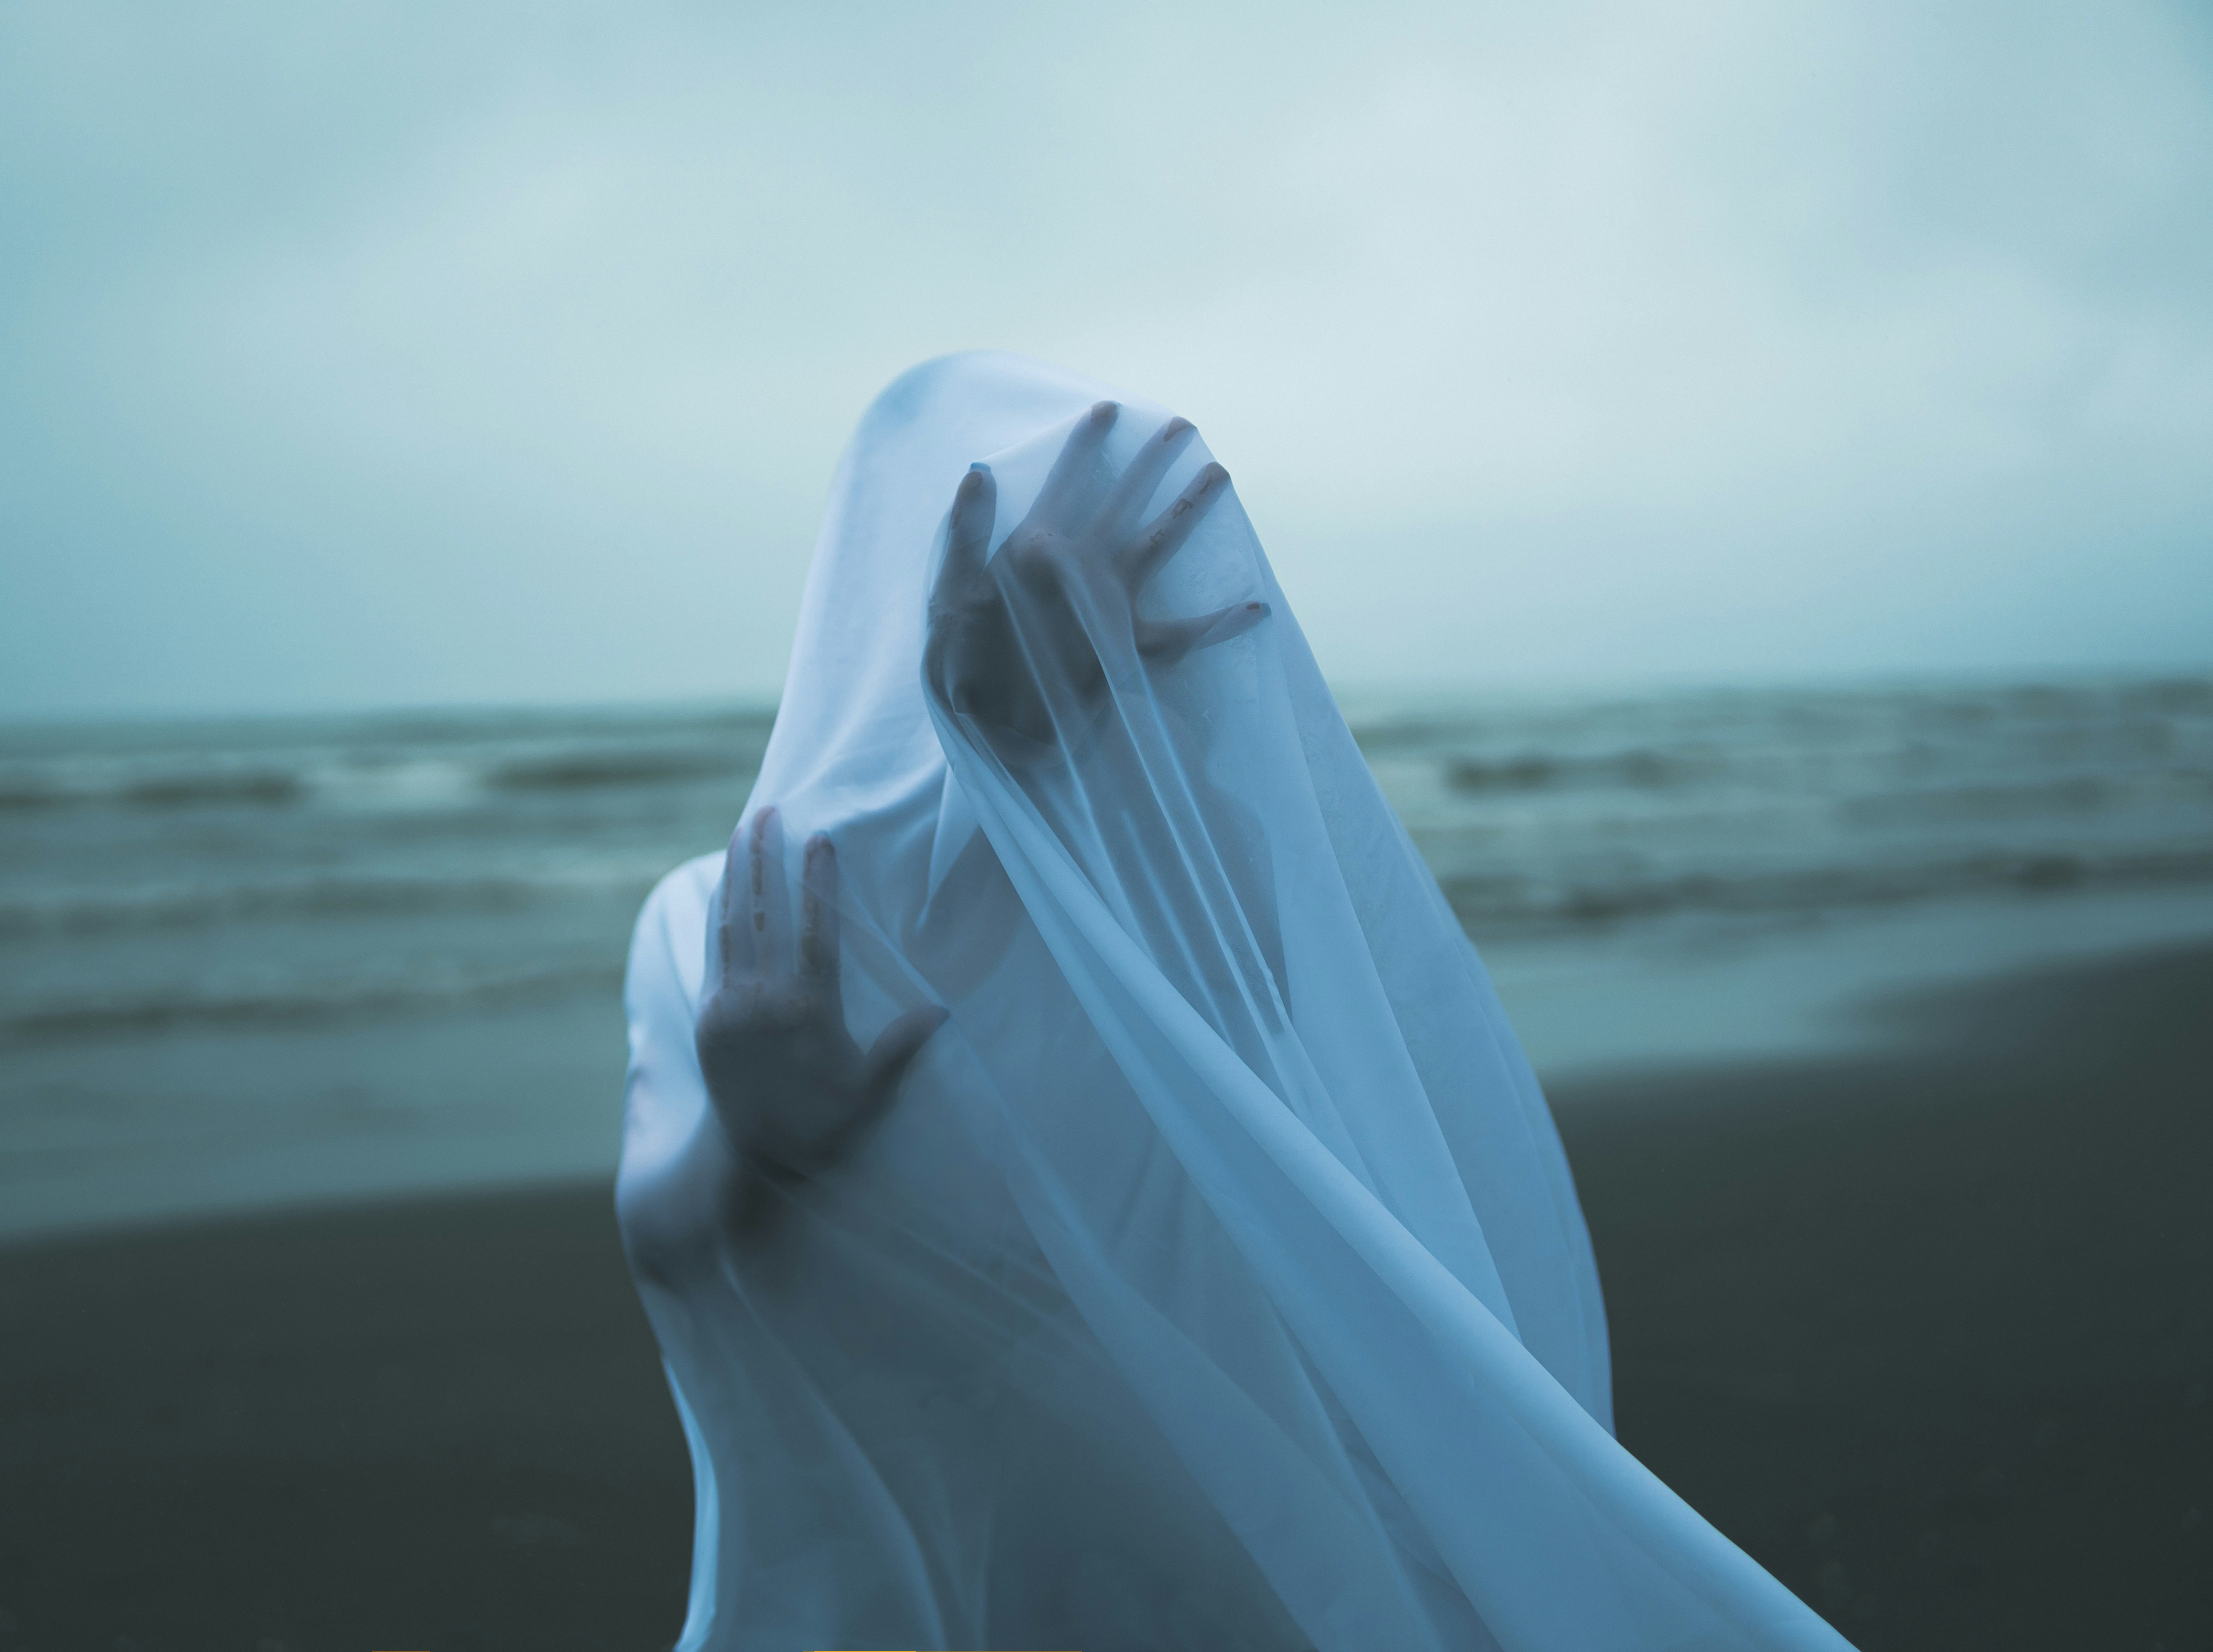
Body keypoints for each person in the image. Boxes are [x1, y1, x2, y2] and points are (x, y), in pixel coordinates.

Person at [613, 353, 1848, 1650]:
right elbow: (685, 1256)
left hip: (1218, 1581)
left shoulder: (1180, 876)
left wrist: (1060, 766)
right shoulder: (722, 927)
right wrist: (762, 1141)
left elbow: (1293, 1176)